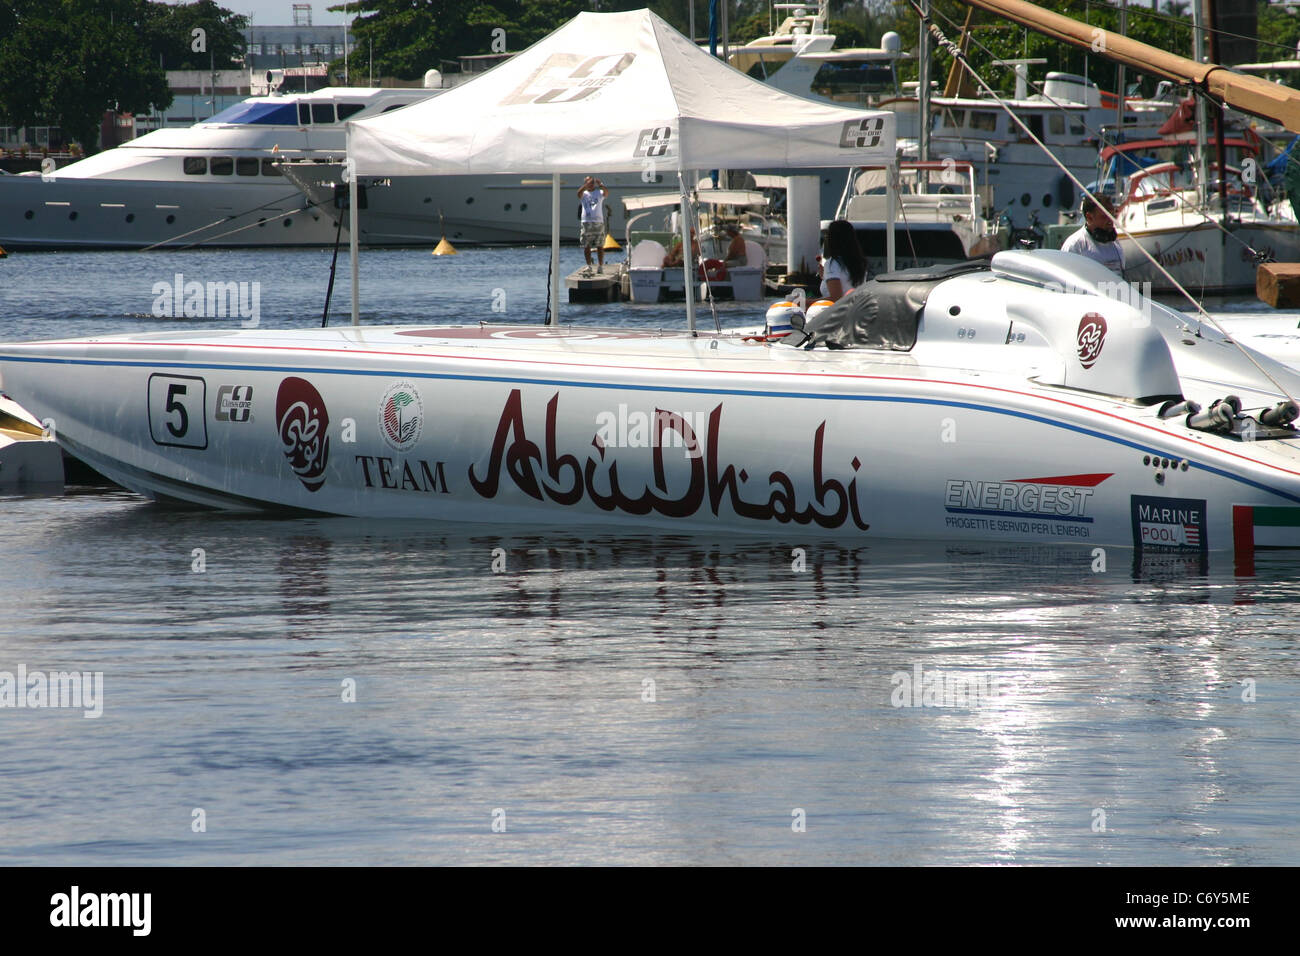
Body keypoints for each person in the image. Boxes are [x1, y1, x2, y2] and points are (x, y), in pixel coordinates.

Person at [1061, 194, 1125, 276]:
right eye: (1104, 216)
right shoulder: (1074, 245)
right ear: (1089, 217)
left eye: (1112, 215)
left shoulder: (1115, 244)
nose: (1110, 221)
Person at [819, 219, 868, 302]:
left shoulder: (833, 263)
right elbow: (847, 283)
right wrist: (825, 277)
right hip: (856, 310)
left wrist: (804, 302)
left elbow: (836, 298)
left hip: (836, 313)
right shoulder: (859, 263)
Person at [577, 175, 608, 275]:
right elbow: (578, 194)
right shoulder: (584, 193)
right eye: (587, 182)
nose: (590, 184)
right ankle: (589, 265)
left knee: (600, 245)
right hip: (586, 222)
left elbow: (606, 193)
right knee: (586, 245)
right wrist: (585, 186)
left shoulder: (599, 192)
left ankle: (600, 266)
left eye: (591, 182)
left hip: (598, 222)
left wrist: (601, 185)